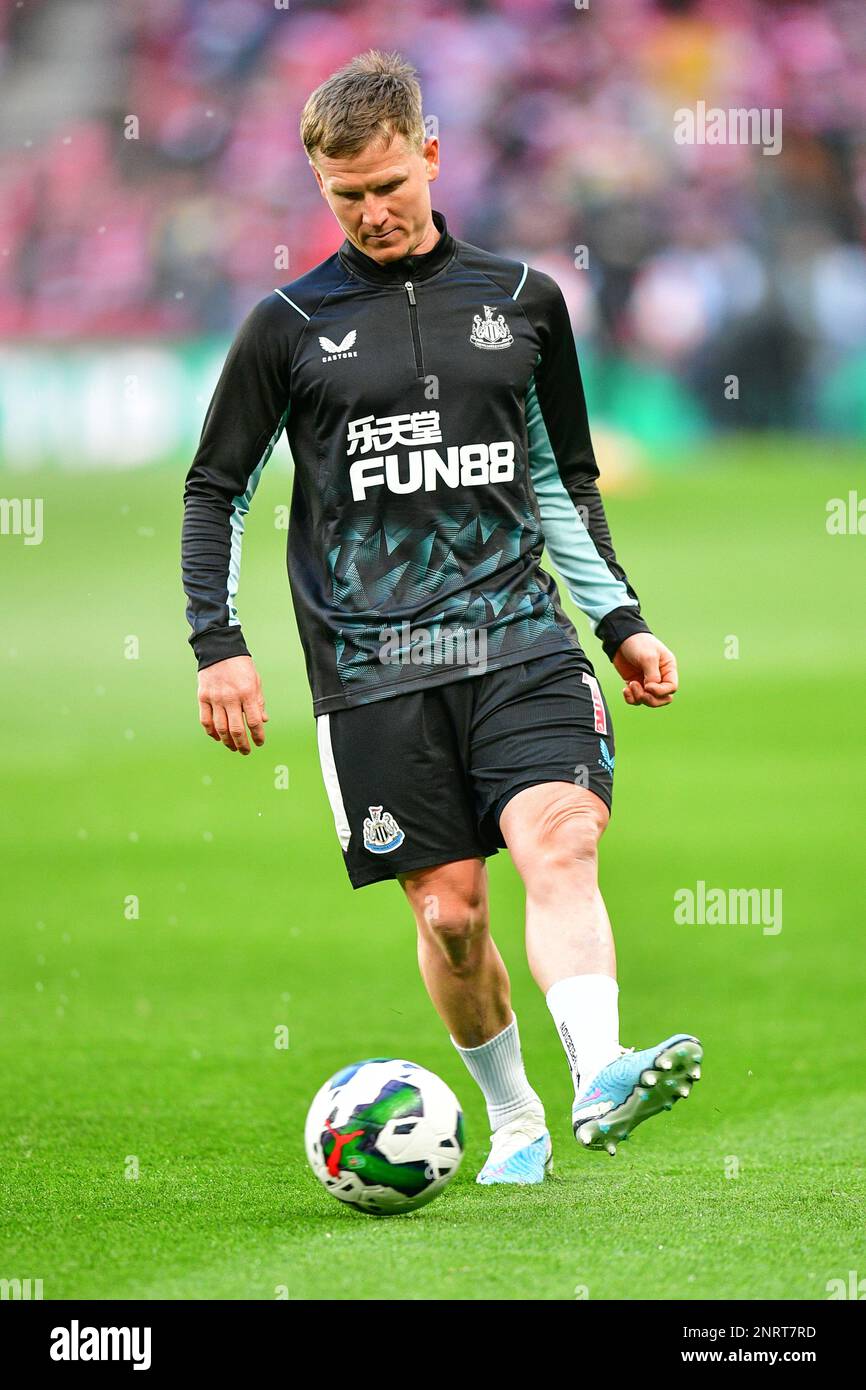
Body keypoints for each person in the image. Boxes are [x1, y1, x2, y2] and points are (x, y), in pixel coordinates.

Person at [181, 49, 701, 1185]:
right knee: (454, 915)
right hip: (372, 667)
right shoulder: (286, 325)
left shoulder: (522, 302)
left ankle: (600, 1068)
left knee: (558, 841)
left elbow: (563, 479)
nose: (370, 212)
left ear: (429, 153)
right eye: (344, 195)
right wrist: (217, 645)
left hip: (517, 637)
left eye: (387, 186)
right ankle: (512, 1115)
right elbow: (214, 484)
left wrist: (619, 624)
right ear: (319, 187)